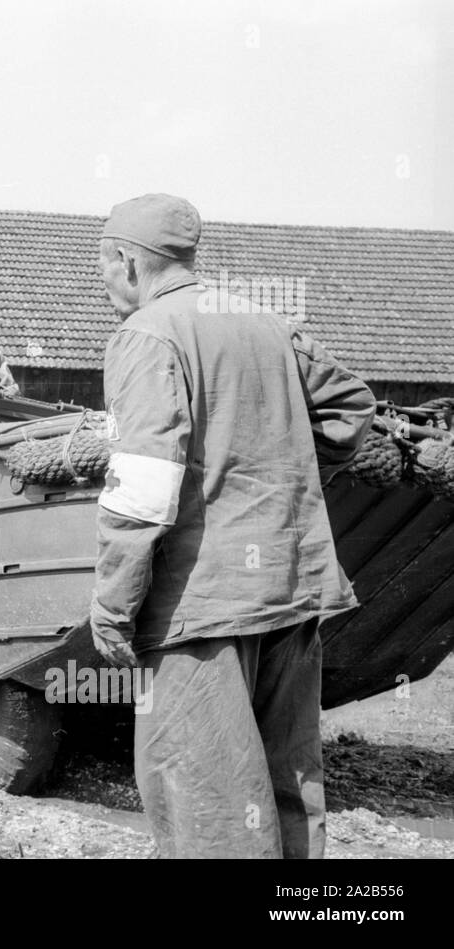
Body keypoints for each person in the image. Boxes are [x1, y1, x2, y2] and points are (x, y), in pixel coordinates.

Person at [88, 193, 374, 859]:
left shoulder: (147, 334)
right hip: (291, 591)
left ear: (129, 263)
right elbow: (350, 408)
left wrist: (112, 606)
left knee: (207, 806)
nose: (102, 281)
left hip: (202, 609)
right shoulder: (266, 320)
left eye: (103, 266)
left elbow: (144, 490)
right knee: (286, 790)